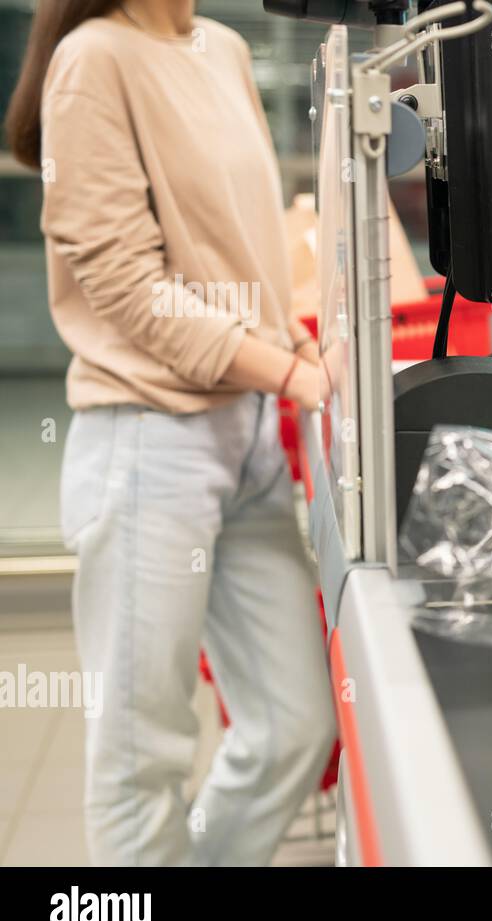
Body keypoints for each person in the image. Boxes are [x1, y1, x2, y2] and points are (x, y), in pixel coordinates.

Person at [4, 0, 337, 864]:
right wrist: (290, 374)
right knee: (139, 754)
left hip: (249, 440)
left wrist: (297, 344)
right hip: (150, 441)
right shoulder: (92, 60)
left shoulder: (219, 48)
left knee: (296, 724)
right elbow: (126, 285)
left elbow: (245, 249)